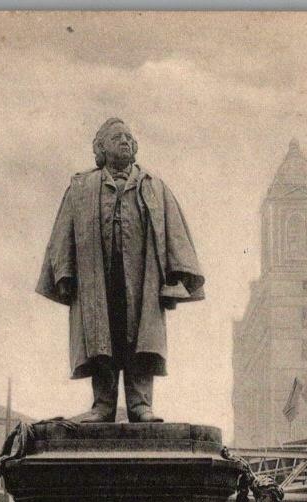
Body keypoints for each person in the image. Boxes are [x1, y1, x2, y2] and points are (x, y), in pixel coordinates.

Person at [36, 117, 205, 423]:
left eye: (129, 137)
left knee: (141, 339)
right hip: (97, 278)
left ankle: (141, 404)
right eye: (116, 137)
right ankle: (103, 405)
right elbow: (64, 233)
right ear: (100, 148)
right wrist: (64, 273)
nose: (125, 141)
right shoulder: (81, 187)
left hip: (143, 280)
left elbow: (175, 234)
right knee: (101, 339)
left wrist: (177, 276)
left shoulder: (154, 186)